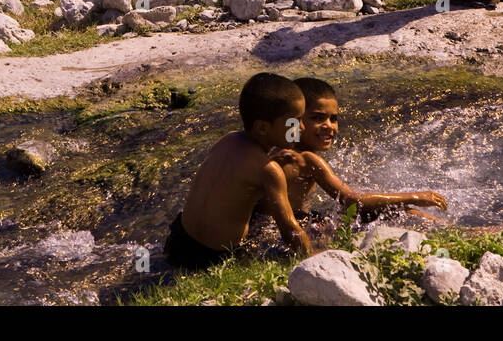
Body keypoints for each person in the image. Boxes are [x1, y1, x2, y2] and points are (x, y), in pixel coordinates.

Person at [164, 72, 312, 271]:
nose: (302, 127)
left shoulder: (227, 139)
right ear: (262, 128)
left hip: (179, 239)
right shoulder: (269, 171)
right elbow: (289, 229)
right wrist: (314, 257)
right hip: (215, 258)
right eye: (295, 121)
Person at [270, 77, 448, 227]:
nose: (329, 126)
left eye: (333, 118)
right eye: (317, 118)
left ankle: (449, 230)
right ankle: (452, 232)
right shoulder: (305, 159)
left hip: (286, 221)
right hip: (288, 227)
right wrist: (414, 196)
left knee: (391, 211)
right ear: (294, 120)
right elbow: (352, 201)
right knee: (396, 212)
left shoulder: (277, 149)